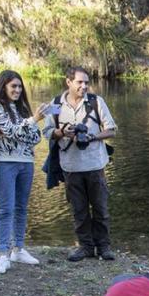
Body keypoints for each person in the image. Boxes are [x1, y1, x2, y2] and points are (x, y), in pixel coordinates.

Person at [42, 66, 117, 262]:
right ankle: (85, 247)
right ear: (69, 82)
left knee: (100, 208)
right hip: (70, 167)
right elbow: (47, 131)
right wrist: (62, 132)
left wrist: (92, 137)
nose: (84, 86)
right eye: (79, 82)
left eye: (86, 82)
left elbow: (112, 130)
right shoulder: (55, 103)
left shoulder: (96, 101)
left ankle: (104, 247)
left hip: (95, 165)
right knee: (79, 210)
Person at [0, 70, 53, 274]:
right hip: (5, 162)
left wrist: (23, 127)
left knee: (22, 207)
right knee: (6, 208)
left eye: (20, 86)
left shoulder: (22, 108)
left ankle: (18, 249)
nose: (17, 90)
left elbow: (35, 138)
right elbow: (11, 130)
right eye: (13, 86)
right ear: (3, 86)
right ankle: (3, 255)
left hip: (26, 162)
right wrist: (30, 122)